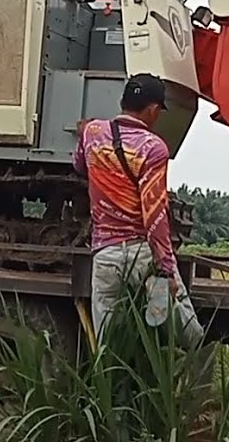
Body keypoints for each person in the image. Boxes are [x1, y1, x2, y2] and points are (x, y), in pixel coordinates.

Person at [73, 73, 204, 347]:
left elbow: (80, 167)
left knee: (109, 346)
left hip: (106, 257)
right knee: (189, 336)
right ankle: (176, 383)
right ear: (153, 110)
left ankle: (110, 389)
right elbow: (155, 214)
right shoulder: (153, 148)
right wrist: (167, 270)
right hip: (143, 260)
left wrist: (85, 133)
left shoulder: (92, 133)